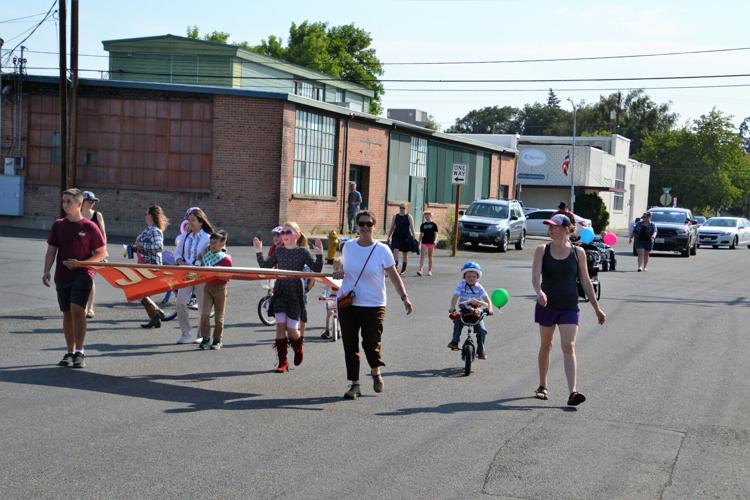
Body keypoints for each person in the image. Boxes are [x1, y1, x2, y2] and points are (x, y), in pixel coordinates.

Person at [334, 210, 413, 400]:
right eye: (361, 224)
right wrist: (337, 270)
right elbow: (342, 268)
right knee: (350, 345)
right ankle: (355, 385)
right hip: (348, 303)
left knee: (371, 343)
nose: (365, 227)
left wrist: (404, 297)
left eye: (369, 224)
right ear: (357, 226)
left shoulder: (382, 250)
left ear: (374, 226)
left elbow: (393, 276)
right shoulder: (348, 247)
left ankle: (376, 372)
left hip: (374, 304)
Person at [531, 214, 606, 406]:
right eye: (549, 226)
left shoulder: (578, 252)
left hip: (569, 306)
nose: (551, 229)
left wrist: (597, 308)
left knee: (568, 346)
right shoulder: (542, 250)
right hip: (547, 306)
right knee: (546, 346)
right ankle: (542, 385)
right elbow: (535, 277)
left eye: (554, 226)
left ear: (566, 229)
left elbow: (586, 282)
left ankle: (573, 392)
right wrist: (539, 292)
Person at [43, 188, 108, 369]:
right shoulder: (58, 225)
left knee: (77, 310)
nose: (65, 205)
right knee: (67, 313)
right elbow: (51, 250)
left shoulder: (90, 227)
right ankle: (70, 352)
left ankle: (80, 352)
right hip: (62, 275)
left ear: (79, 204)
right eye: (63, 201)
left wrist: (81, 263)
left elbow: (102, 253)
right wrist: (46, 270)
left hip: (83, 274)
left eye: (69, 202)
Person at [254, 222, 324, 372]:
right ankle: (282, 362)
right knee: (280, 326)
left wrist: (319, 255)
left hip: (295, 292)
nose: (284, 235)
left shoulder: (303, 252)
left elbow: (317, 269)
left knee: (292, 329)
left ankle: (298, 346)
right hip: (280, 290)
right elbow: (265, 267)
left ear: (297, 235)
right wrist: (258, 251)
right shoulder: (279, 251)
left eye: (288, 232)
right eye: (283, 233)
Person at [174, 207, 214, 344]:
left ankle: (201, 334)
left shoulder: (208, 238)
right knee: (180, 302)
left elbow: (212, 255)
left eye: (192, 220)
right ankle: (185, 333)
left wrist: (202, 263)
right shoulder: (184, 236)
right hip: (187, 274)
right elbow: (177, 253)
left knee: (203, 306)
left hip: (202, 275)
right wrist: (180, 262)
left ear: (201, 222)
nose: (189, 223)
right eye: (188, 220)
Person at [135, 205, 174, 329]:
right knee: (141, 292)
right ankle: (155, 317)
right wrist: (135, 248)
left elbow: (159, 247)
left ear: (151, 215)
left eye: (146, 213)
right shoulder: (149, 229)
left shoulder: (155, 230)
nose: (145, 216)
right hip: (145, 263)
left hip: (151, 265)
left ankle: (158, 314)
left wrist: (141, 246)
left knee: (140, 292)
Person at [447, 262, 494, 358]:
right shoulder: (461, 285)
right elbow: (455, 296)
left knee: (482, 330)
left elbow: (487, 299)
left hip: (477, 312)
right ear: (464, 277)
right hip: (464, 311)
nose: (471, 278)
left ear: (477, 277)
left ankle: (481, 351)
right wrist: (452, 307)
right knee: (457, 321)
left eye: (474, 276)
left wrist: (490, 308)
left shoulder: (479, 287)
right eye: (468, 276)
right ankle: (455, 341)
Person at [198, 230, 233, 350]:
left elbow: (228, 277)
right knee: (205, 314)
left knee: (219, 317)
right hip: (208, 287)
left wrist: (218, 272)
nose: (212, 245)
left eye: (215, 242)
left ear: (222, 244)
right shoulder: (206, 256)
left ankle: (217, 340)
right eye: (211, 242)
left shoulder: (226, 259)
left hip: (220, 288)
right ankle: (205, 338)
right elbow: (202, 271)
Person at [81, 191, 106, 319]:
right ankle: (81, 306)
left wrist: (104, 251)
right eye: (90, 201)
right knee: (79, 279)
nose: (92, 204)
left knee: (89, 278)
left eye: (93, 202)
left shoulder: (97, 215)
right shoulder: (76, 215)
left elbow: (103, 234)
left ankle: (89, 308)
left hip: (94, 253)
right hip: (80, 252)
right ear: (82, 202)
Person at [387, 203, 416, 275]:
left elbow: (412, 227)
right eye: (400, 207)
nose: (402, 209)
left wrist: (414, 237)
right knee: (395, 250)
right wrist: (388, 236)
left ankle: (403, 269)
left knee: (404, 253)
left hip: (406, 236)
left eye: (403, 208)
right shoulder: (395, 216)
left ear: (406, 208)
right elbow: (392, 227)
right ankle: (396, 266)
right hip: (396, 235)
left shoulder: (409, 216)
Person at [320, 258, 343, 339]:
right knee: (329, 313)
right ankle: (327, 330)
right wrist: (323, 295)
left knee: (340, 315)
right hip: (332, 298)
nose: (335, 270)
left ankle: (339, 329)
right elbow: (325, 288)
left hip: (341, 298)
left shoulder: (344, 278)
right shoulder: (331, 277)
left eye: (338, 268)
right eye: (334, 268)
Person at [417, 211, 438, 276]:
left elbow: (436, 234)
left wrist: (435, 240)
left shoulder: (434, 224)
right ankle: (420, 270)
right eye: (425, 215)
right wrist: (419, 242)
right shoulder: (423, 225)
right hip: (424, 242)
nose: (426, 216)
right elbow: (421, 234)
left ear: (430, 215)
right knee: (422, 256)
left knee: (430, 256)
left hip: (431, 242)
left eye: (428, 215)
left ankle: (429, 270)